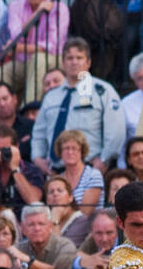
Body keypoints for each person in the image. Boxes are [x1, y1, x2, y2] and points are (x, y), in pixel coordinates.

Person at [30, 38, 124, 176]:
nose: (74, 62)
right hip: (55, 172)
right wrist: (37, 158)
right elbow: (39, 132)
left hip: (90, 169)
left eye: (79, 58)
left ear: (88, 63)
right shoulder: (51, 96)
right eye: (69, 58)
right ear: (63, 63)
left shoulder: (102, 91)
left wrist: (104, 161)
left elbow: (116, 130)